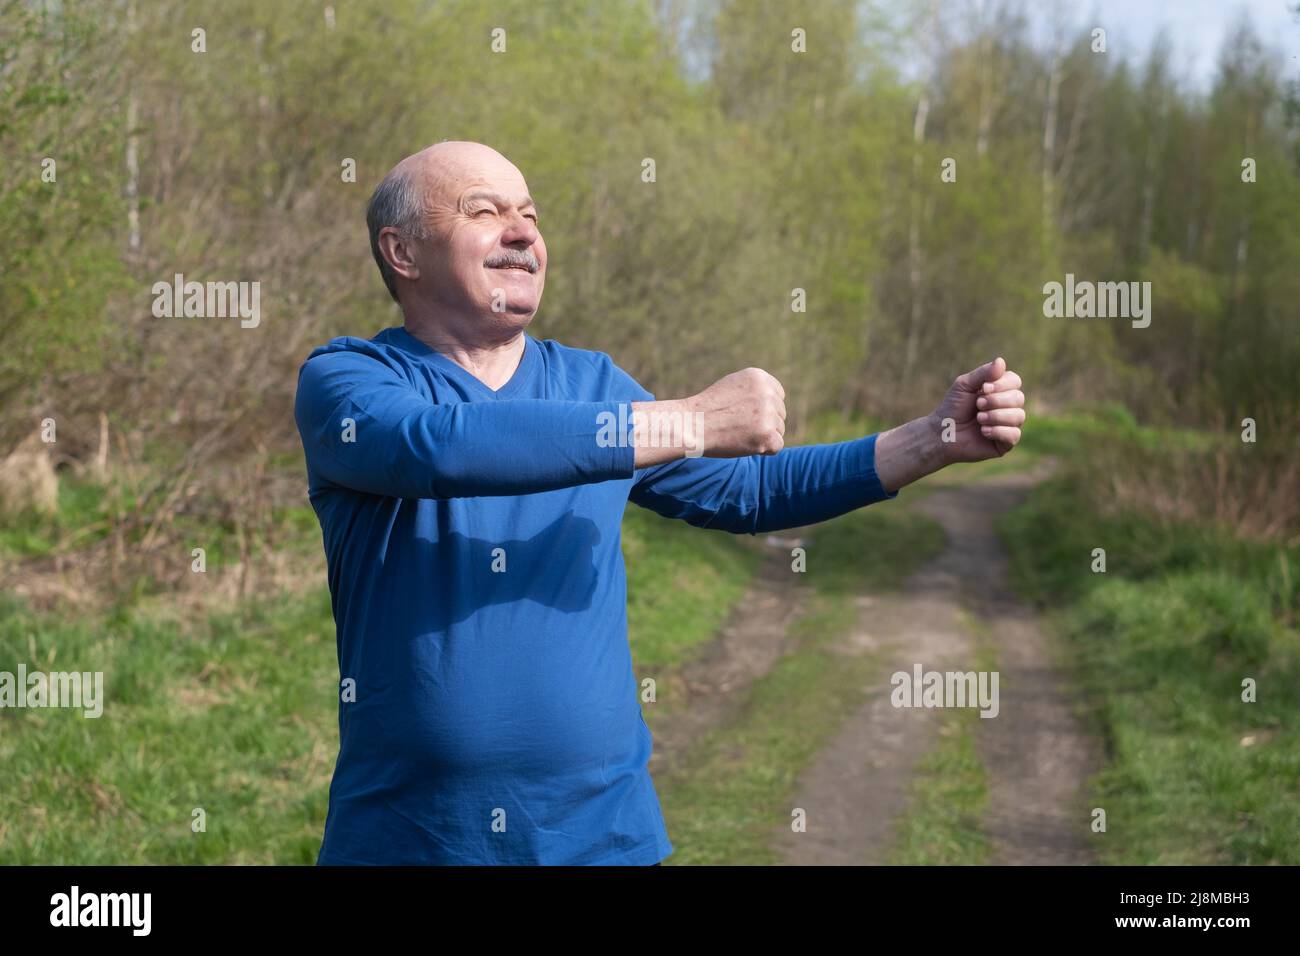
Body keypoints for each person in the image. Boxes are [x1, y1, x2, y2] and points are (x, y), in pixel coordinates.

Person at [294, 141, 1027, 865]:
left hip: (600, 838)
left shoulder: (593, 386)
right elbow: (443, 446)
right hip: (410, 841)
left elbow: (750, 491)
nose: (523, 232)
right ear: (403, 251)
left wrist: (932, 440)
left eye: (531, 214)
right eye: (485, 211)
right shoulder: (349, 381)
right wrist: (692, 422)